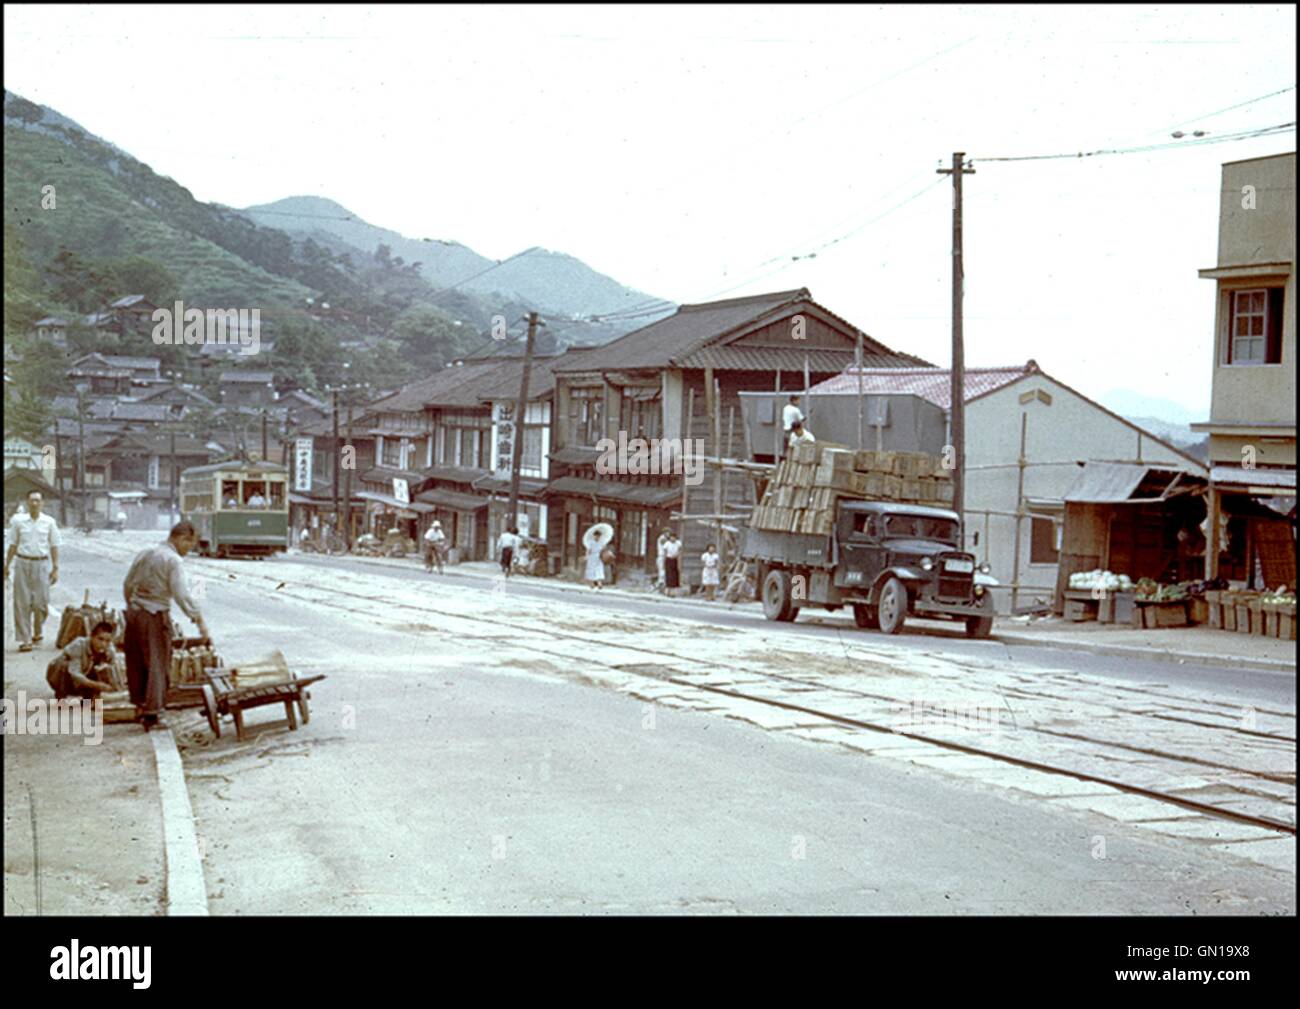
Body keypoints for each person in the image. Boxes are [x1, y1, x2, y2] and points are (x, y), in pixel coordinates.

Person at [122, 521, 209, 731]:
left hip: (134, 613)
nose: (190, 549)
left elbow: (127, 584)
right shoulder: (173, 560)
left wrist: (133, 607)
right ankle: (153, 714)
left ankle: (141, 707)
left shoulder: (145, 552)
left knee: (136, 663)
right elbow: (182, 595)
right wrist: (199, 621)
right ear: (182, 539)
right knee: (157, 663)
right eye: (191, 544)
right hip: (154, 615)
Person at [4, 489, 61, 652]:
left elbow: (54, 545)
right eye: (32, 500)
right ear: (27, 503)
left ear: (42, 503)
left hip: (42, 564)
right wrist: (6, 565)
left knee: (41, 603)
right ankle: (25, 639)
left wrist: (55, 568)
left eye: (38, 500)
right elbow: (13, 545)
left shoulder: (49, 522)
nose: (35, 503)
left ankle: (37, 631)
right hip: (22, 563)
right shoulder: (18, 522)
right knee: (22, 603)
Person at [46, 620, 118, 700]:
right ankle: (61, 698)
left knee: (102, 669)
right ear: (92, 636)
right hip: (62, 678)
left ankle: (88, 699)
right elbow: (74, 673)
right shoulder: (79, 645)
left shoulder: (110, 650)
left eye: (107, 641)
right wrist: (97, 685)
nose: (103, 644)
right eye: (100, 639)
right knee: (64, 665)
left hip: (85, 678)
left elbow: (114, 671)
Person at [662, 532, 682, 596]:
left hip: (675, 559)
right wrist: (663, 562)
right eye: (671, 537)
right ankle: (667, 591)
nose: (673, 539)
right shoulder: (667, 544)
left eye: (674, 537)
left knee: (675, 575)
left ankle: (673, 592)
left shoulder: (678, 543)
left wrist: (679, 562)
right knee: (668, 574)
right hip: (669, 559)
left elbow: (680, 552)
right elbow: (665, 553)